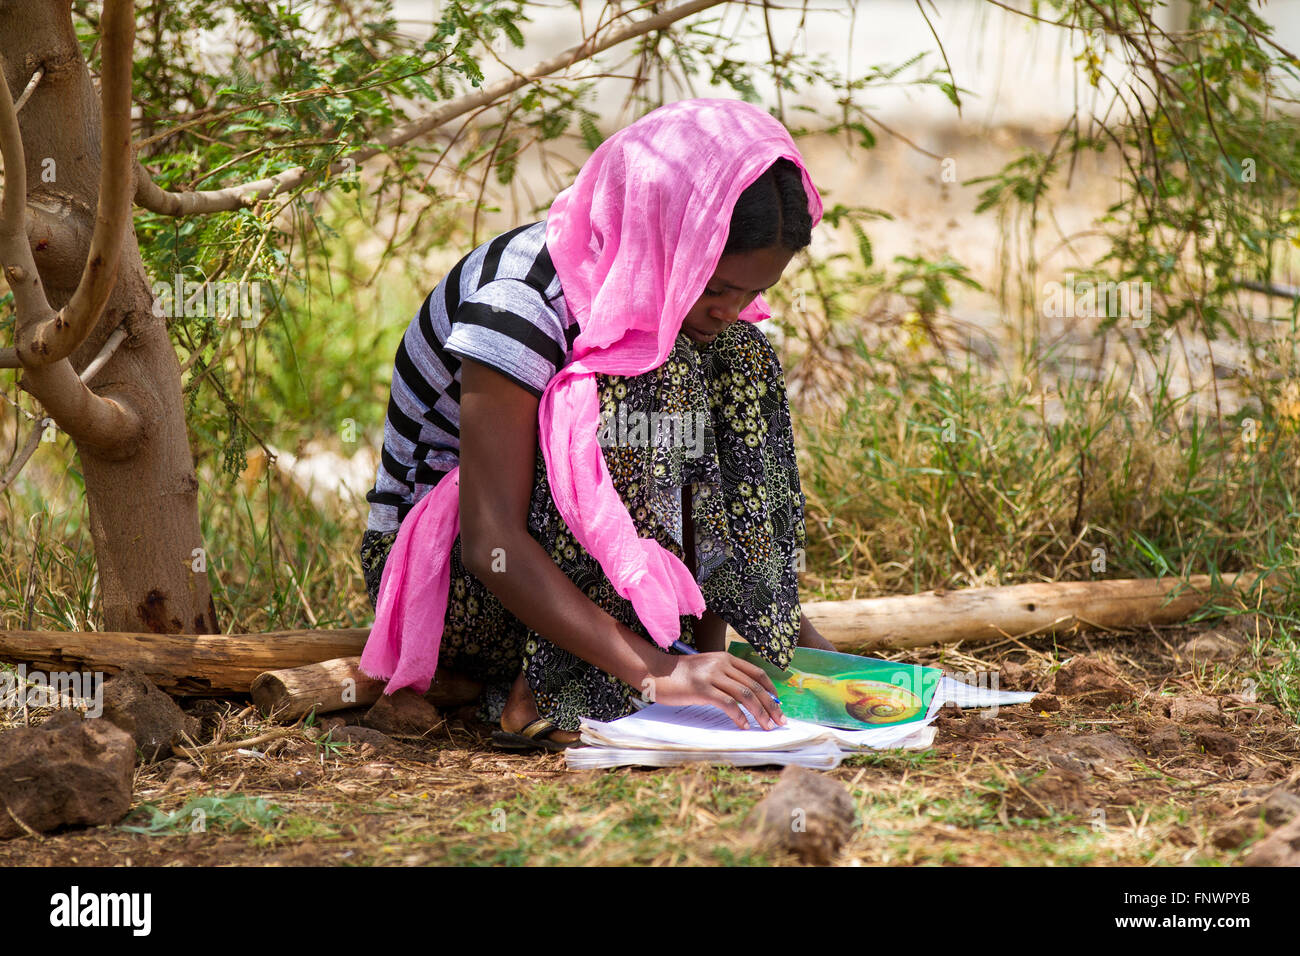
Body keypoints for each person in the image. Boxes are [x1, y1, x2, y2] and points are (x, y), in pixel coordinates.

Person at [358, 98, 836, 750]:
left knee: (742, 357)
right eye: (718, 287)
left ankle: (699, 656)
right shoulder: (519, 300)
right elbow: (487, 541)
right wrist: (659, 672)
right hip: (455, 587)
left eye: (750, 293)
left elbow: (719, 493)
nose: (731, 308)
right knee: (645, 374)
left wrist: (800, 664)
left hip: (570, 582)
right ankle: (547, 691)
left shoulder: (691, 310)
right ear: (669, 233)